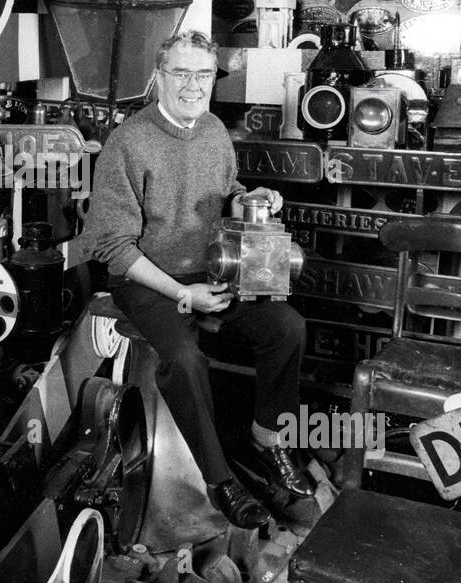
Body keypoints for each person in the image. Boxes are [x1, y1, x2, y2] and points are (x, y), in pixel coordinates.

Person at [85, 30, 315, 529]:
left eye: (203, 74)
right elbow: (112, 246)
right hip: (148, 278)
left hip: (214, 271)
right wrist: (182, 294)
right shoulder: (126, 143)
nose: (193, 85)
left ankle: (267, 442)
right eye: (181, 73)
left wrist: (251, 198)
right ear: (158, 77)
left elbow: (224, 191)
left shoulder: (212, 128)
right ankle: (220, 480)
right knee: (184, 359)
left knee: (287, 328)